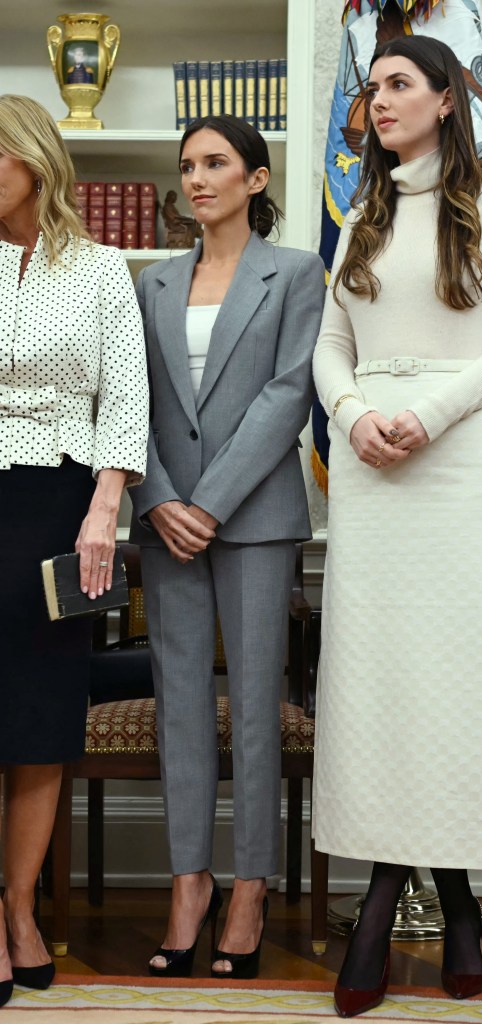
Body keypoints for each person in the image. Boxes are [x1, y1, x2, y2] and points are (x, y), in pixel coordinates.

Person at [312, 35, 482, 1017]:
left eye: (399, 84)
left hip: (463, 463)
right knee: (382, 688)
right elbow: (330, 345)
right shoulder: (361, 213)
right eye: (372, 86)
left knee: (457, 687)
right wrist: (353, 416)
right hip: (372, 467)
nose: (379, 100)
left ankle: (382, 909)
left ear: (448, 99)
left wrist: (431, 413)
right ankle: (451, 906)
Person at [129, 113, 325, 981]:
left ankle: (249, 887)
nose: (197, 180)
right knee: (180, 705)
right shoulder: (153, 283)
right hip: (166, 517)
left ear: (256, 179)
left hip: (253, 517)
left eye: (215, 163)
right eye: (186, 166)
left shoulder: (297, 272)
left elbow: (288, 393)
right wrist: (160, 498)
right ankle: (189, 884)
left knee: (252, 704)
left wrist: (207, 502)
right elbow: (127, 398)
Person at [0, 94, 148, 1007]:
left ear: (34, 160)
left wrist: (104, 509)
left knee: (38, 719)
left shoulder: (99, 268)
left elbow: (124, 396)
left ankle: (20, 910)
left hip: (60, 507)